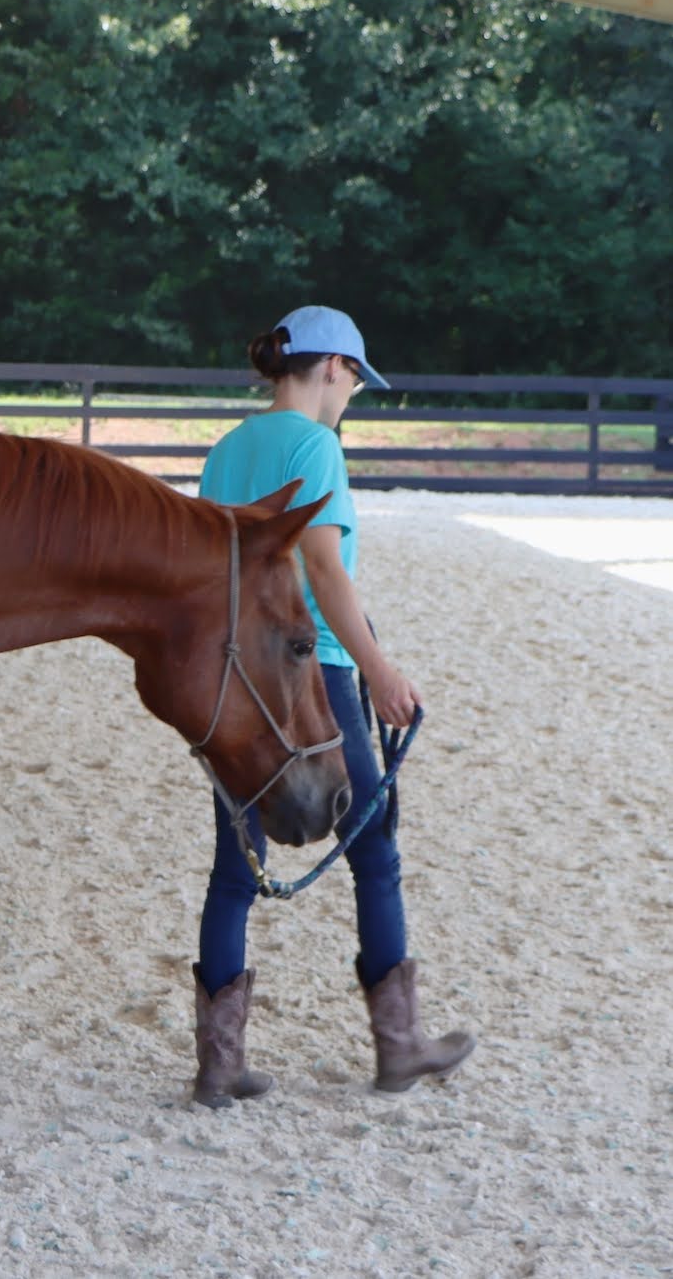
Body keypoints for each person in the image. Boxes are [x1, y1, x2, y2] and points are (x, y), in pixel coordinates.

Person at [190, 304, 475, 1106]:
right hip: (317, 675)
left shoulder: (226, 450)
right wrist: (380, 670)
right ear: (329, 369)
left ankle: (217, 1067)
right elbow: (324, 572)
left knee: (235, 868)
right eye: (354, 377)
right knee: (373, 851)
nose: (353, 393)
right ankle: (399, 1046)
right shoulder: (316, 445)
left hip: (237, 682)